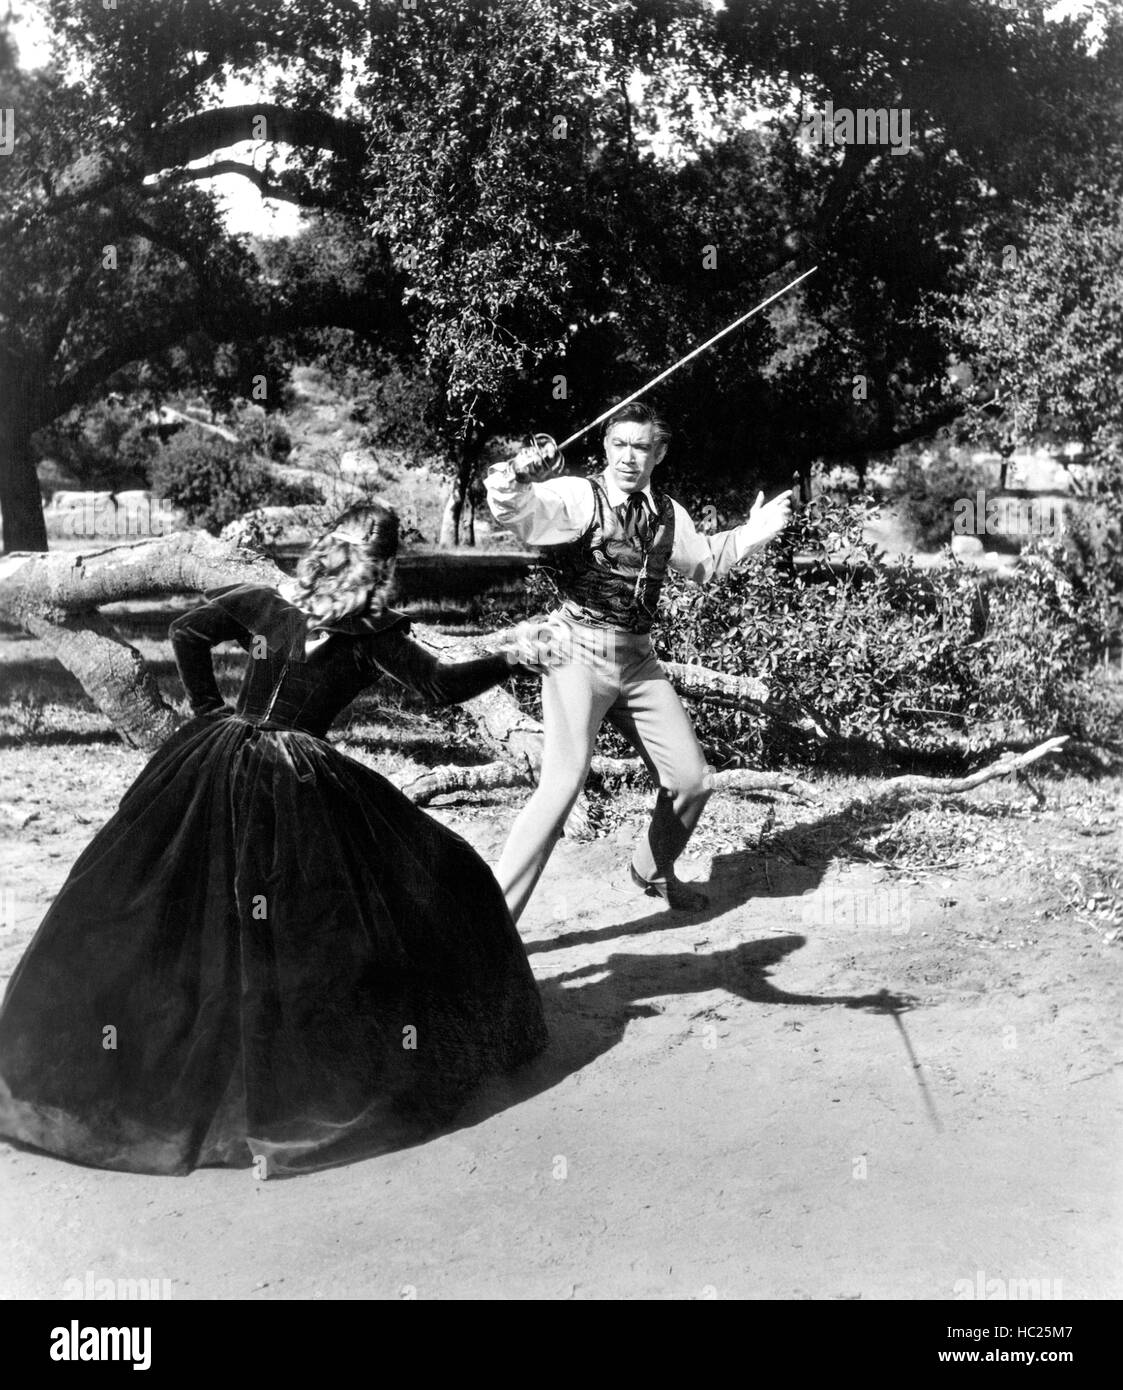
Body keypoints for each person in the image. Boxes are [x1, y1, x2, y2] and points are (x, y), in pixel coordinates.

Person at [0, 502, 551, 1176]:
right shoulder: (316, 618)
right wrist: (209, 709)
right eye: (356, 553)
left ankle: (263, 1081)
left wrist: (509, 657)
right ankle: (255, 1093)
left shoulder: (328, 622)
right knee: (248, 915)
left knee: (373, 890)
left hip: (241, 761)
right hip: (272, 772)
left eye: (365, 558)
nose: (355, 566)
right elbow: (190, 632)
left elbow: (188, 632)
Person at [485, 402, 792, 922]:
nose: (629, 458)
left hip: (639, 660)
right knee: (563, 782)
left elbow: (701, 563)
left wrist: (753, 532)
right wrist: (514, 479)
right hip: (576, 652)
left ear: (660, 453)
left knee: (691, 779)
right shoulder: (580, 496)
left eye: (642, 447)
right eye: (619, 445)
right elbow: (523, 512)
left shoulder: (671, 512)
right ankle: (492, 922)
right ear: (605, 446)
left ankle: (652, 870)